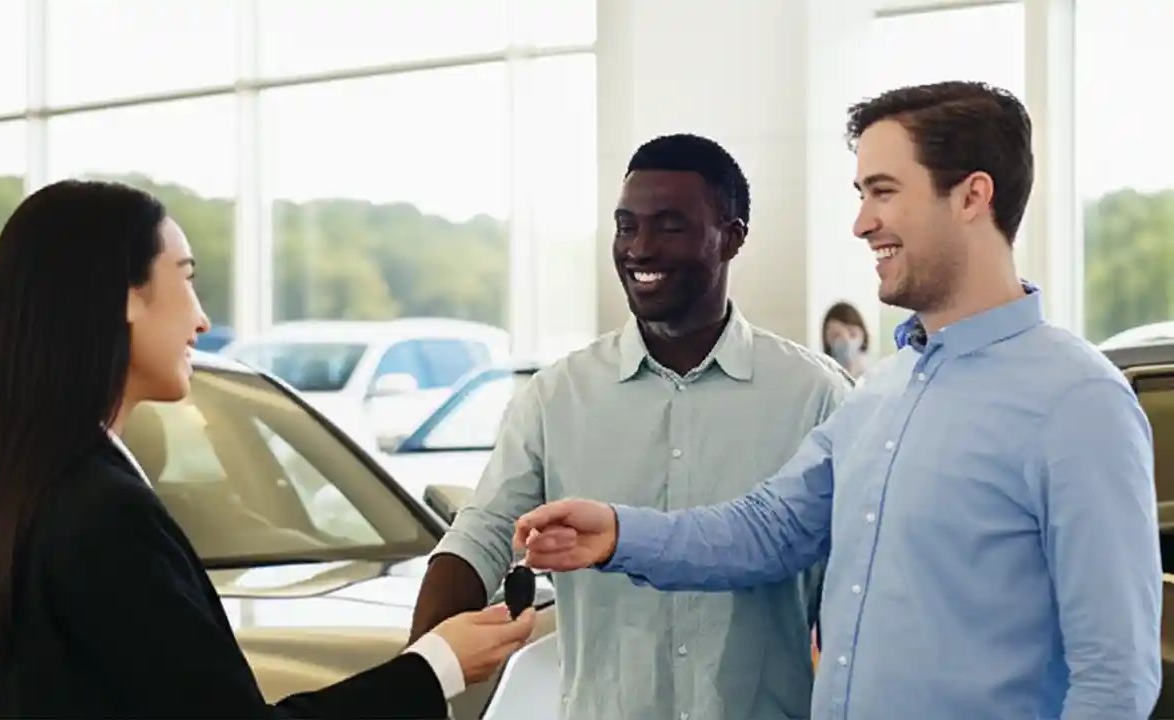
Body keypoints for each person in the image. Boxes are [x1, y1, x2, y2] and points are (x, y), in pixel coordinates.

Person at [511, 81, 1161, 719]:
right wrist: (621, 533)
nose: (860, 222)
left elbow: (1114, 679)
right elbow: (768, 529)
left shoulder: (1079, 404)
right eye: (860, 194)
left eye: (883, 191)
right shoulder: (883, 390)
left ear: (972, 195)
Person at [0, 179, 536, 719]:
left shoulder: (12, 496)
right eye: (186, 276)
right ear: (125, 295)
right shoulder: (102, 513)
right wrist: (437, 665)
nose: (201, 320)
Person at [408, 133, 853, 719]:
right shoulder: (556, 396)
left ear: (733, 236)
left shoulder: (816, 396)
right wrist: (413, 675)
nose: (639, 249)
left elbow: (850, 587)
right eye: (626, 226)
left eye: (669, 226)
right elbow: (485, 534)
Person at [820, 301, 870, 378]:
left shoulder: (878, 374)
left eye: (852, 334)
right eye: (836, 335)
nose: (845, 341)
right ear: (826, 339)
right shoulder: (820, 376)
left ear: (863, 335)